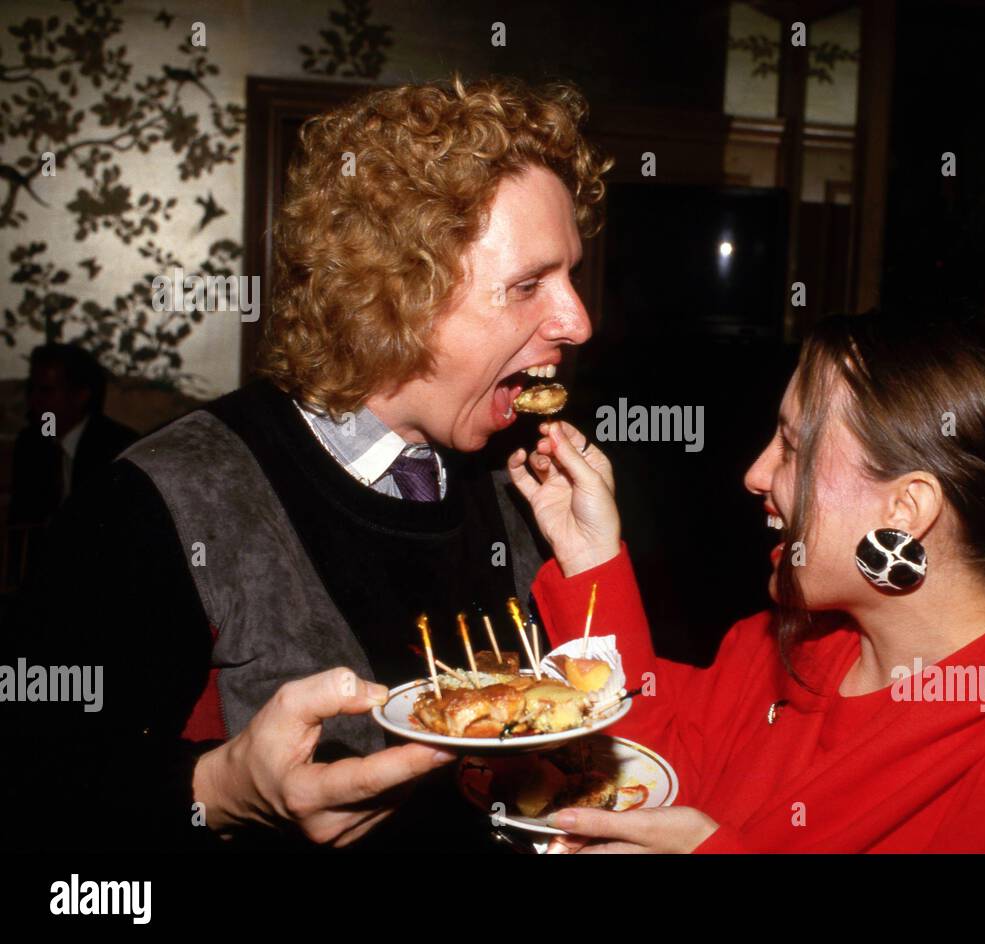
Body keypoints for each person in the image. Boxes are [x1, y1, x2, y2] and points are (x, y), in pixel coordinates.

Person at [6, 75, 610, 850]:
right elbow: (36, 798)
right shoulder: (155, 500)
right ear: (391, 295)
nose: (579, 321)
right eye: (528, 285)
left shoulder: (524, 474)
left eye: (570, 274)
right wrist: (220, 793)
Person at [507, 310, 985, 853]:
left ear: (904, 511)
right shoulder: (779, 652)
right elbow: (646, 762)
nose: (757, 475)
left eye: (793, 449)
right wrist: (590, 556)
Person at [5, 344, 138, 584]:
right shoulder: (32, 443)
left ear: (80, 395)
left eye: (45, 391)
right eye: (31, 389)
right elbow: (22, 522)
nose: (34, 400)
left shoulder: (117, 447)